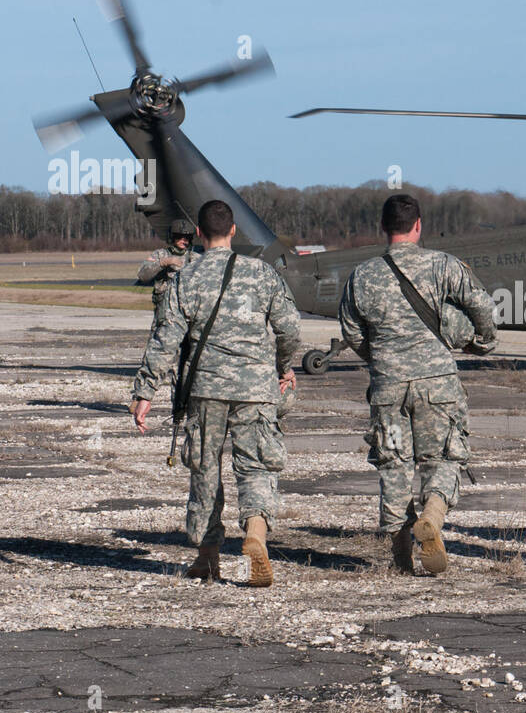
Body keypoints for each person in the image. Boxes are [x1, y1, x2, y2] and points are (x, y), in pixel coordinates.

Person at [131, 200, 300, 586]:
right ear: (234, 231)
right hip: (256, 388)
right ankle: (256, 533)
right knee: (256, 465)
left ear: (200, 236)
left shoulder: (186, 278)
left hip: (204, 390)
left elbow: (165, 338)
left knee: (205, 471)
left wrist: (145, 390)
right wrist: (284, 367)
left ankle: (208, 556)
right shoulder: (262, 274)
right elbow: (289, 329)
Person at [339, 193, 497, 575]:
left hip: (389, 388)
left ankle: (401, 557)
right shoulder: (444, 265)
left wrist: (381, 360)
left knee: (393, 466)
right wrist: (484, 339)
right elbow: (484, 308)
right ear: (418, 225)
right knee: (443, 459)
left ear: (383, 227)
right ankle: (432, 515)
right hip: (437, 386)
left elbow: (351, 331)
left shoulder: (363, 274)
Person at [137, 218, 200, 328]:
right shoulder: (160, 255)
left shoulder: (195, 258)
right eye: (179, 237)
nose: (183, 240)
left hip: (189, 314)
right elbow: (143, 275)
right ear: (172, 237)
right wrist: (163, 263)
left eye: (187, 238)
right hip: (165, 315)